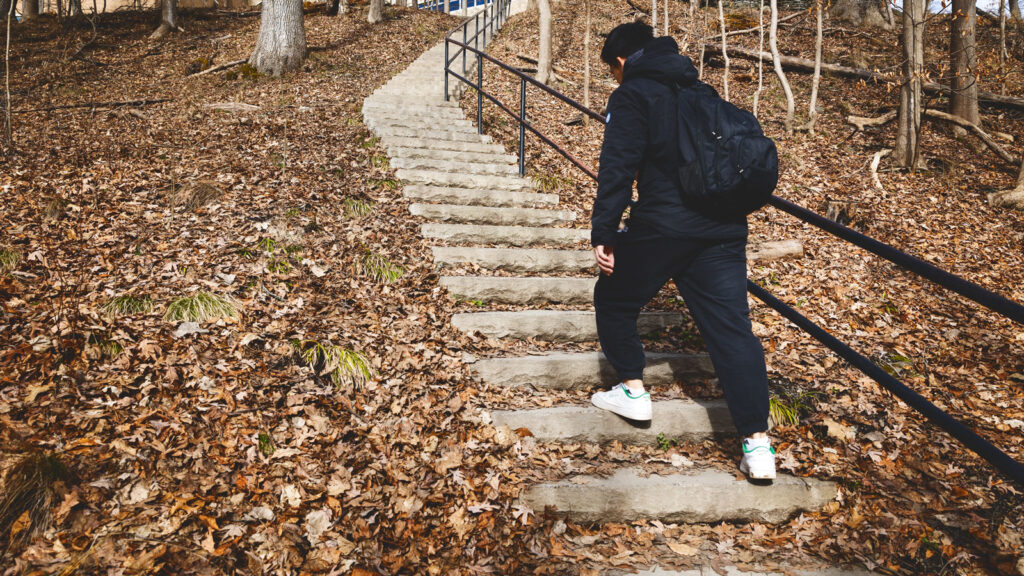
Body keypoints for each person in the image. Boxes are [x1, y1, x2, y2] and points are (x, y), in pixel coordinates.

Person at [589, 22, 776, 480]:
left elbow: (617, 166)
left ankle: (633, 389)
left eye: (612, 71)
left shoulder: (634, 94)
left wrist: (604, 231)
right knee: (733, 333)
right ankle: (758, 445)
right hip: (724, 229)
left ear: (620, 62)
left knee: (613, 298)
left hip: (664, 226)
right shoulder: (700, 90)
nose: (615, 79)